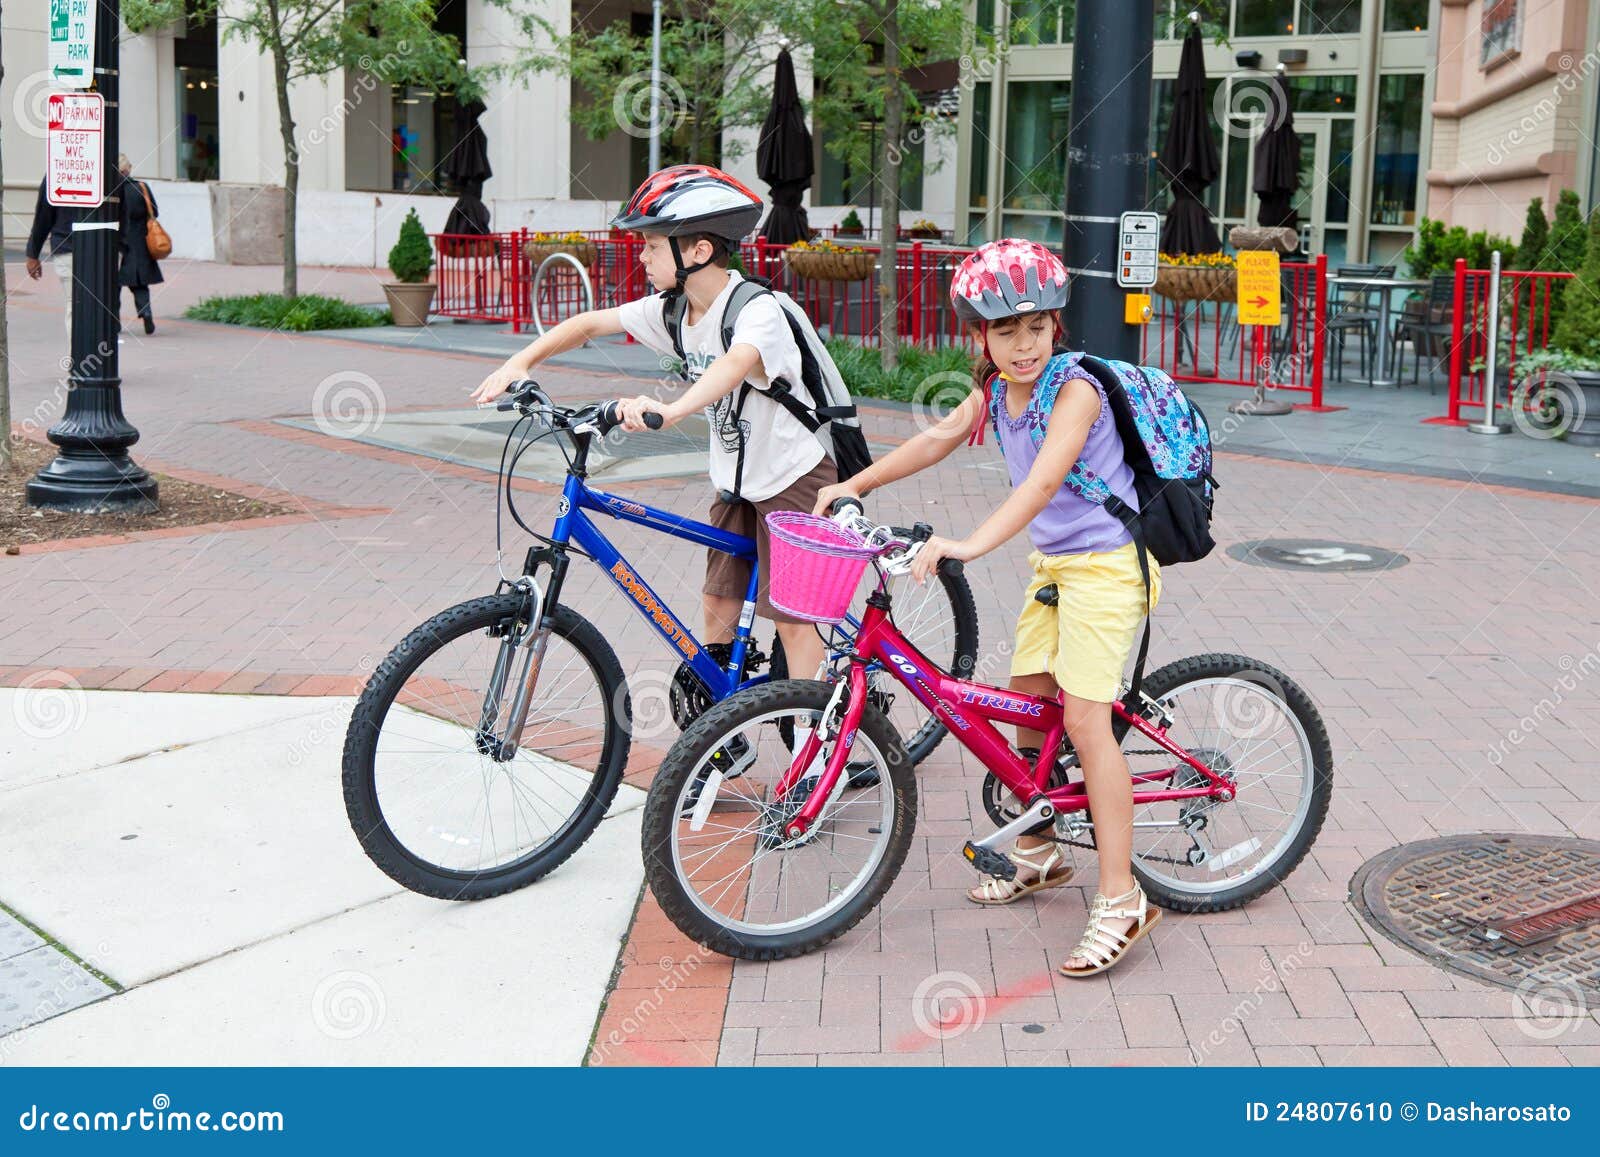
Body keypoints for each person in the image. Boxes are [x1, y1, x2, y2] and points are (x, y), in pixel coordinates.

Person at [813, 238, 1164, 978]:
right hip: (1058, 569)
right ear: (982, 335)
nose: (1024, 343)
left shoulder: (1076, 389)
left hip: (1107, 570)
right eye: (1006, 331)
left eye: (1036, 326)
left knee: (1082, 719)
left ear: (1055, 326)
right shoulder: (996, 391)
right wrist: (856, 486)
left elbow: (1038, 487)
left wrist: (967, 544)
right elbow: (935, 439)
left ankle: (1121, 894)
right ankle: (1037, 853)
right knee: (1023, 707)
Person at [470, 164, 836, 689]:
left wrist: (672, 411)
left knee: (794, 623)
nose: (641, 256)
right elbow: (590, 323)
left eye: (652, 245)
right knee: (718, 599)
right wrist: (520, 363)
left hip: (794, 476)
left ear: (699, 251)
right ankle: (722, 720)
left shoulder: (756, 311)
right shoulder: (676, 311)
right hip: (737, 480)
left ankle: (816, 748)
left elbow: (735, 363)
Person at [23, 177, 77, 341]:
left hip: (69, 246)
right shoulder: (58, 170)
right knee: (78, 306)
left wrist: (33, 254)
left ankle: (80, 362)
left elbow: (43, 216)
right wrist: (33, 252)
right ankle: (78, 362)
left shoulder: (56, 172)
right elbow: (43, 216)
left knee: (75, 306)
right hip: (71, 248)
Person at [115, 156, 163, 334]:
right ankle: (146, 312)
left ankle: (114, 321)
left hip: (118, 241)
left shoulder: (112, 190)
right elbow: (155, 211)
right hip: (140, 242)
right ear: (129, 168)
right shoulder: (141, 187)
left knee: (114, 285)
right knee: (140, 284)